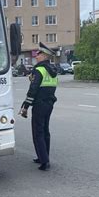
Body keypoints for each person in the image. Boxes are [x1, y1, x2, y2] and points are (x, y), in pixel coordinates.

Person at [19, 42, 58, 171]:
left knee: (38, 132)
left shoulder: (39, 70)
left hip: (39, 104)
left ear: (44, 55)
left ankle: (44, 161)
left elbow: (33, 90)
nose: (36, 56)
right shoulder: (53, 71)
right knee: (45, 131)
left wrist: (25, 107)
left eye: (38, 53)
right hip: (49, 104)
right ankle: (44, 156)